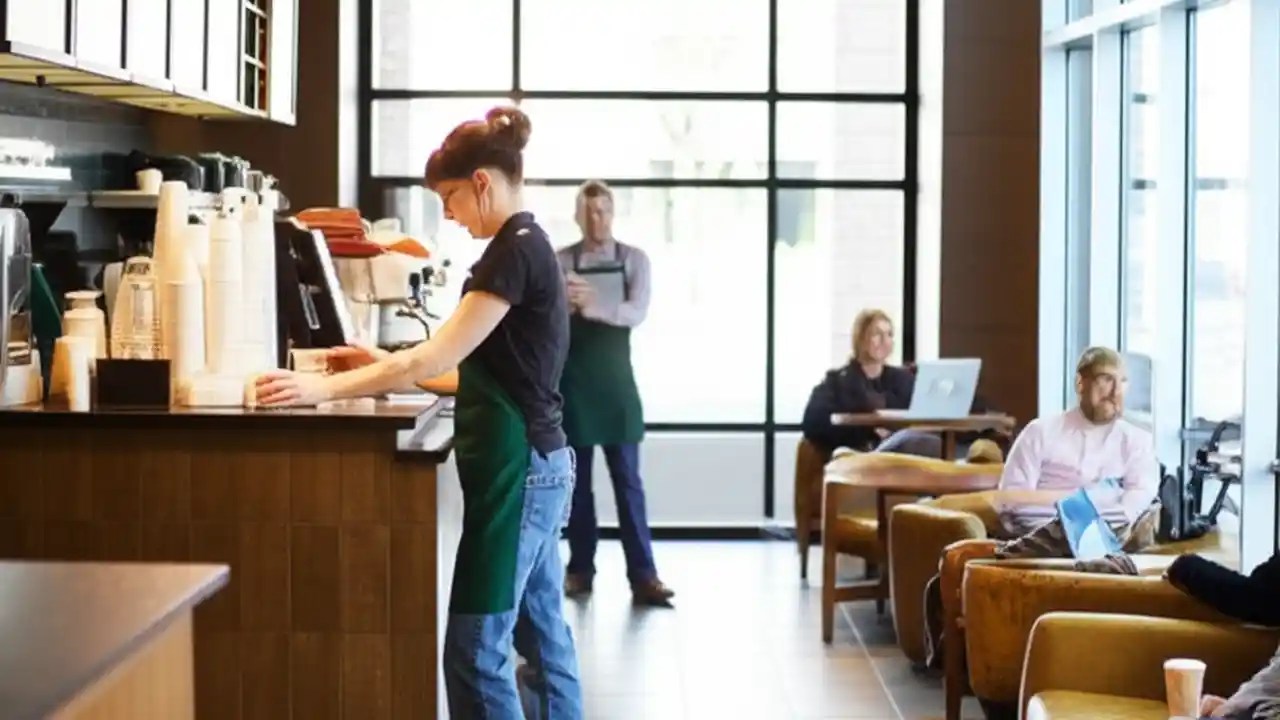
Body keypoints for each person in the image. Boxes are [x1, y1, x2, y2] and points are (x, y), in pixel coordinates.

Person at [255, 106, 583, 720]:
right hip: (541, 467)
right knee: (540, 639)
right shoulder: (527, 245)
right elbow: (478, 373)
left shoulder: (512, 253)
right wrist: (377, 357)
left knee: (475, 652)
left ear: (482, 182)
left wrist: (322, 390)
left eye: (451, 198)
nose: (449, 216)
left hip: (523, 478)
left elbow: (435, 354)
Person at [920, 346, 1161, 693]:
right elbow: (1013, 501)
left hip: (1107, 541)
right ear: (1081, 383)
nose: (1115, 391)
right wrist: (1070, 513)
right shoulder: (1041, 432)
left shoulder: (1136, 442)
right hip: (1038, 537)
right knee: (963, 568)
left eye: (1122, 382)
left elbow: (1134, 505)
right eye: (1106, 380)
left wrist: (1079, 514)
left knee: (1104, 540)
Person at [556, 179, 674, 607]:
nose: (595, 219)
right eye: (588, 211)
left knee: (629, 483)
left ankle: (644, 576)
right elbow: (544, 321)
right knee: (578, 487)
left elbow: (636, 311)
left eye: (602, 210)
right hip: (574, 386)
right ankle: (579, 570)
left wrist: (594, 307)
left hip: (617, 388)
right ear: (577, 214)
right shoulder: (560, 260)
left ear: (613, 212)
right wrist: (565, 307)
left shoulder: (633, 261)